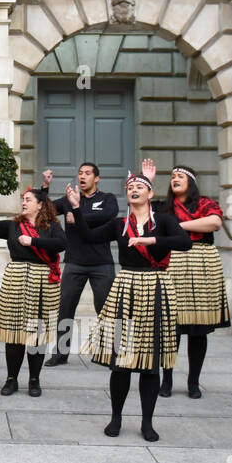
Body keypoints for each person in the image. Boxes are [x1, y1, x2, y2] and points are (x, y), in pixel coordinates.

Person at [65, 160, 191, 442]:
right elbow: (87, 235)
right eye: (130, 187)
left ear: (149, 193)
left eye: (139, 187)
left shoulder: (164, 221)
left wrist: (151, 242)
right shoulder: (119, 224)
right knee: (121, 361)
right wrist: (75, 206)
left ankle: (147, 423)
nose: (134, 190)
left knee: (150, 362)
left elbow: (185, 243)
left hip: (156, 287)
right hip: (126, 287)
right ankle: (116, 417)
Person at [0, 186, 66, 397]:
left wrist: (33, 241)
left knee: (37, 332)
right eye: (23, 200)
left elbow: (61, 244)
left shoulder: (51, 226)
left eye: (28, 200)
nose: (23, 203)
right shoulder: (13, 226)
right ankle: (11, 379)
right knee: (13, 331)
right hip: (17, 278)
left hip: (43, 282)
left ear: (40, 205)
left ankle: (34, 380)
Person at [158, 166, 226, 398]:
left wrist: (176, 228)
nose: (175, 179)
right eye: (173, 176)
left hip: (201, 266)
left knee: (198, 330)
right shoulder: (164, 207)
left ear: (191, 182)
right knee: (170, 327)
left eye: (180, 176)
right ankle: (166, 379)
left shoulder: (205, 204)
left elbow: (214, 223)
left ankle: (193, 381)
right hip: (173, 264)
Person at [41, 163, 119, 367]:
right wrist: (45, 186)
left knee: (106, 309)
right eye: (80, 173)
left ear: (97, 178)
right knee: (65, 308)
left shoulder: (107, 199)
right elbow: (45, 210)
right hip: (75, 262)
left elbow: (108, 215)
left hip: (101, 263)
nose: (82, 176)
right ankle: (60, 353)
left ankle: (109, 353)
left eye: (87, 173)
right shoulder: (69, 199)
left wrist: (77, 215)